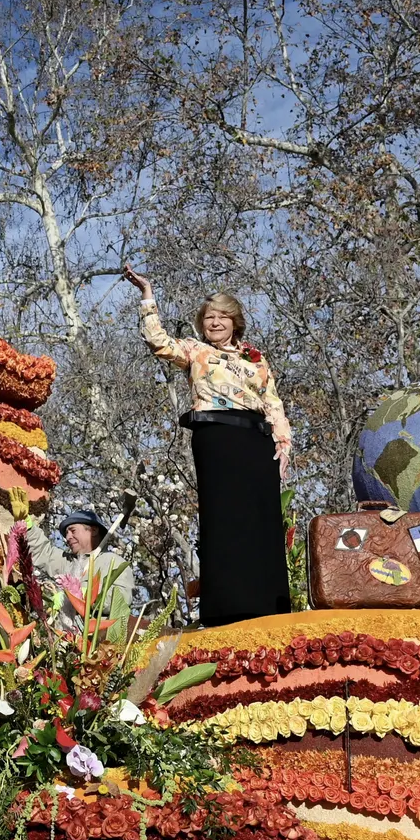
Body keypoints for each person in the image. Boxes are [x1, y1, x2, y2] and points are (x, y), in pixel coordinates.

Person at [129, 266, 291, 626]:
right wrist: (147, 296)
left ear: (236, 322)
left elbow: (273, 402)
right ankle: (226, 607)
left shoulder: (256, 358)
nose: (215, 323)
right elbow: (158, 341)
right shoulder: (195, 351)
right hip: (216, 437)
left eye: (222, 317)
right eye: (209, 318)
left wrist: (283, 445)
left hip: (257, 440)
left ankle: (270, 603)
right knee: (224, 516)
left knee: (261, 519)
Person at [13, 495, 134, 632]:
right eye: (66, 534)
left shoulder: (114, 562)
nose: (68, 537)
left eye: (73, 531)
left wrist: (81, 594)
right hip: (65, 639)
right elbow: (43, 552)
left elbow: (121, 599)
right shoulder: (68, 563)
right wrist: (27, 526)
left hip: (100, 642)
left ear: (93, 530)